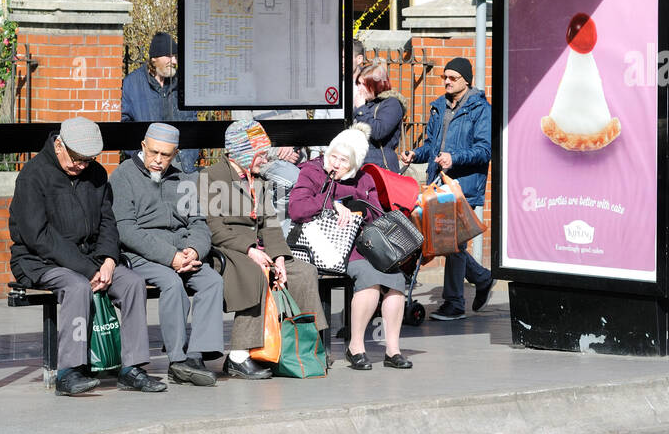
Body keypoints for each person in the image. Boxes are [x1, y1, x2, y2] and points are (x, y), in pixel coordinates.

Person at [9, 117, 167, 395]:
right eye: (77, 159)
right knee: (77, 286)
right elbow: (39, 237)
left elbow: (108, 221)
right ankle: (70, 371)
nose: (82, 165)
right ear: (59, 145)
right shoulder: (32, 176)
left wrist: (108, 259)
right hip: (39, 261)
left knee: (132, 283)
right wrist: (87, 268)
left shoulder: (96, 174)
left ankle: (132, 367)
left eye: (88, 160)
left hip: (93, 258)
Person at [204, 119, 328, 379]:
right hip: (230, 251)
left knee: (303, 272)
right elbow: (214, 227)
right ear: (242, 153)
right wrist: (250, 250)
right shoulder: (212, 176)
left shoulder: (257, 179)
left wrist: (280, 257)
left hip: (260, 250)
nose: (265, 159)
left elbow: (270, 224)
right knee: (255, 272)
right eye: (260, 154)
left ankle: (303, 346)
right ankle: (239, 356)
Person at [289, 127, 411, 370]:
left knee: (396, 279)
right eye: (333, 155)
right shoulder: (312, 172)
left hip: (362, 245)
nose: (335, 163)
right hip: (328, 247)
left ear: (354, 163)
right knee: (370, 280)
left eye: (344, 160)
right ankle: (356, 346)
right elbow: (297, 209)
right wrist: (332, 205)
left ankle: (392, 349)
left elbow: (377, 215)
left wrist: (359, 209)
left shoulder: (364, 179)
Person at [110, 123, 222, 387]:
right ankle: (177, 359)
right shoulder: (123, 176)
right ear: (143, 147)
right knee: (172, 283)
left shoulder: (182, 178)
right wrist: (171, 257)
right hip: (141, 254)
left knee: (212, 281)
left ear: (175, 154)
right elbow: (126, 230)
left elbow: (198, 222)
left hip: (183, 252)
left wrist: (194, 250)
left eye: (167, 155)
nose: (159, 160)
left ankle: (196, 356)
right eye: (154, 153)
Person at [399, 56, 494, 321]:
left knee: (454, 244)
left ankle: (454, 303)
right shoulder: (439, 106)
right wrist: (415, 154)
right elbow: (431, 145)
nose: (446, 82)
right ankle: (482, 278)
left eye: (452, 78)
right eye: (445, 77)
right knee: (447, 241)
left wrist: (454, 157)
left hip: (463, 185)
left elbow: (484, 150)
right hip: (438, 183)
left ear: (466, 80)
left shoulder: (480, 109)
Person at [121, 31, 198, 174]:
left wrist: (187, 159)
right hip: (144, 168)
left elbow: (193, 123)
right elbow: (125, 127)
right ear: (154, 59)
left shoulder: (183, 83)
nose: (174, 61)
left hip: (180, 168)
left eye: (175, 56)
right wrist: (142, 158)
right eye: (169, 56)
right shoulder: (132, 84)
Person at [352, 60, 406, 170]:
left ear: (376, 85)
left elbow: (378, 132)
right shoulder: (364, 105)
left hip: (380, 165)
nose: (359, 88)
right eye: (358, 84)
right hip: (360, 162)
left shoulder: (391, 104)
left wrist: (361, 110)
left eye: (363, 84)